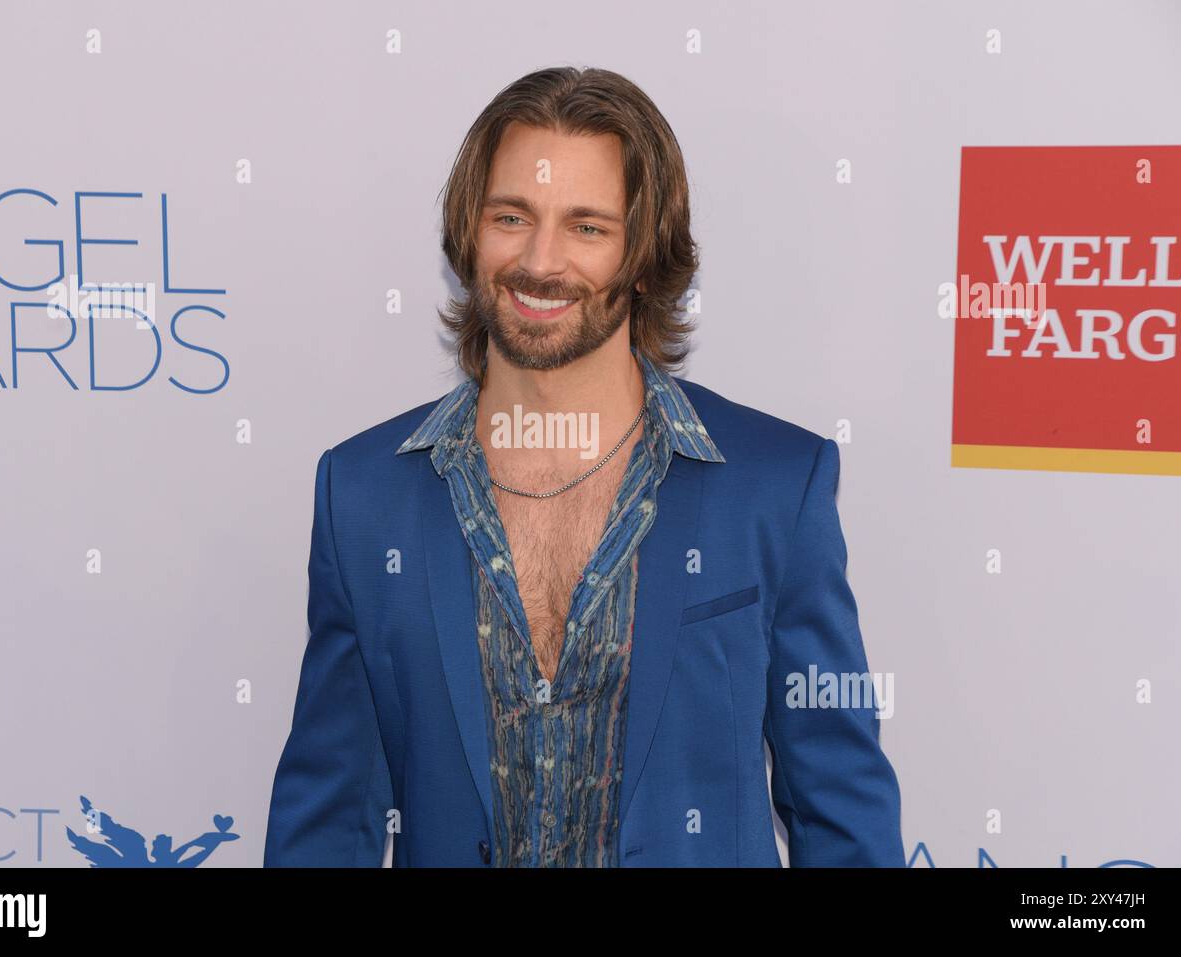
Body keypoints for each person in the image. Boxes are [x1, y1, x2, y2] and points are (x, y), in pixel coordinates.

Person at [264, 66, 904, 867]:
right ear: (470, 231)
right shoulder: (362, 497)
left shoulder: (775, 487)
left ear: (644, 254)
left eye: (587, 227)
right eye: (511, 216)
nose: (541, 260)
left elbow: (842, 813)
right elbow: (328, 825)